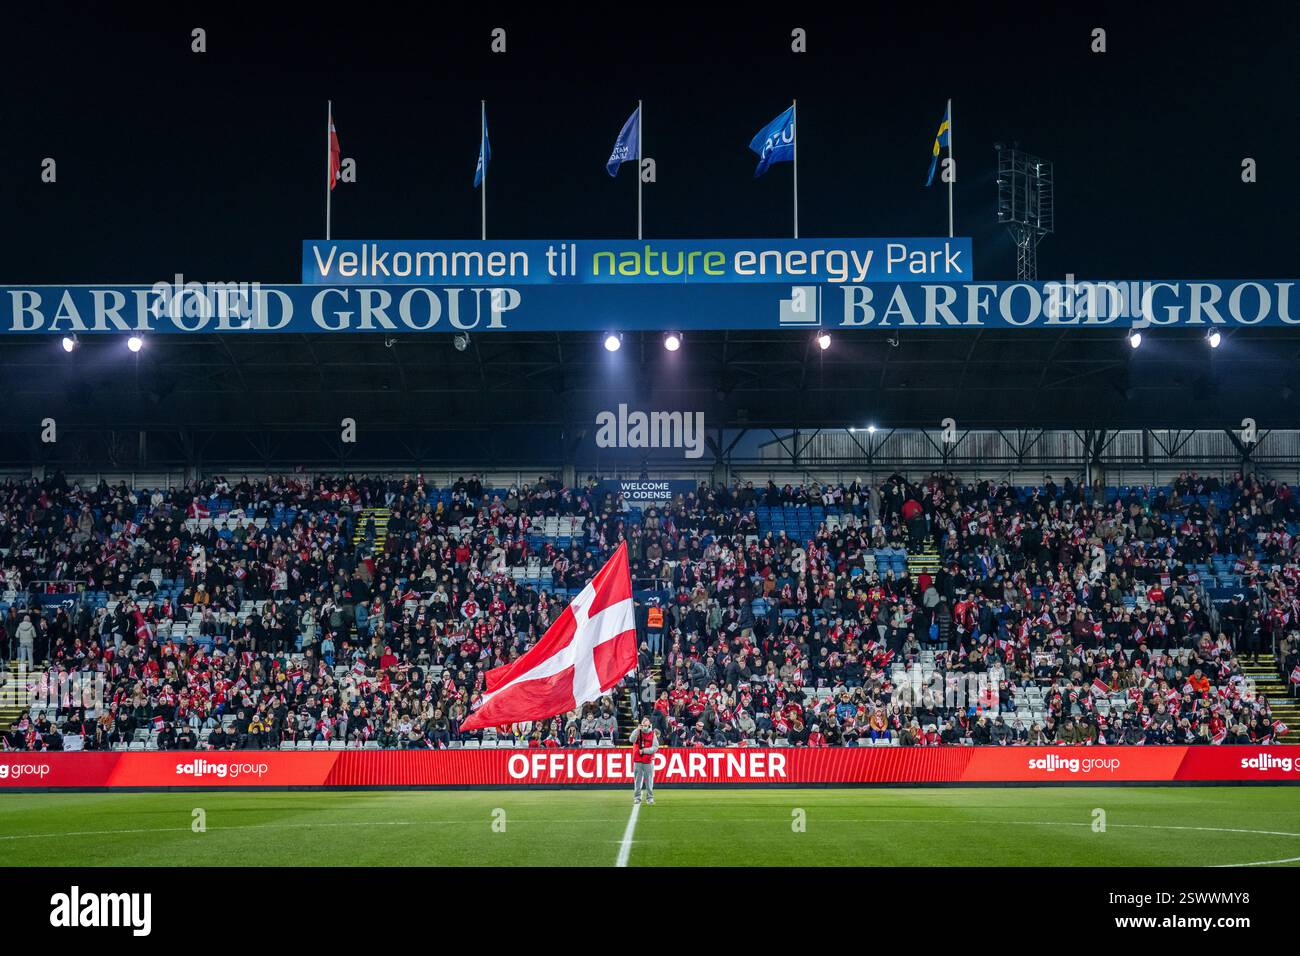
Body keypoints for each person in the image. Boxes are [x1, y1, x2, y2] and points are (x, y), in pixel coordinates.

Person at [629, 714, 659, 806]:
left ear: (649, 723)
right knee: (637, 780)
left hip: (648, 760)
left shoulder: (652, 734)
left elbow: (655, 747)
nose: (644, 721)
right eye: (643, 720)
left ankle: (650, 798)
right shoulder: (637, 732)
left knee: (649, 780)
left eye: (646, 720)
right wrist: (637, 730)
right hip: (638, 759)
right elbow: (631, 739)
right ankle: (637, 798)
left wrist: (645, 751)